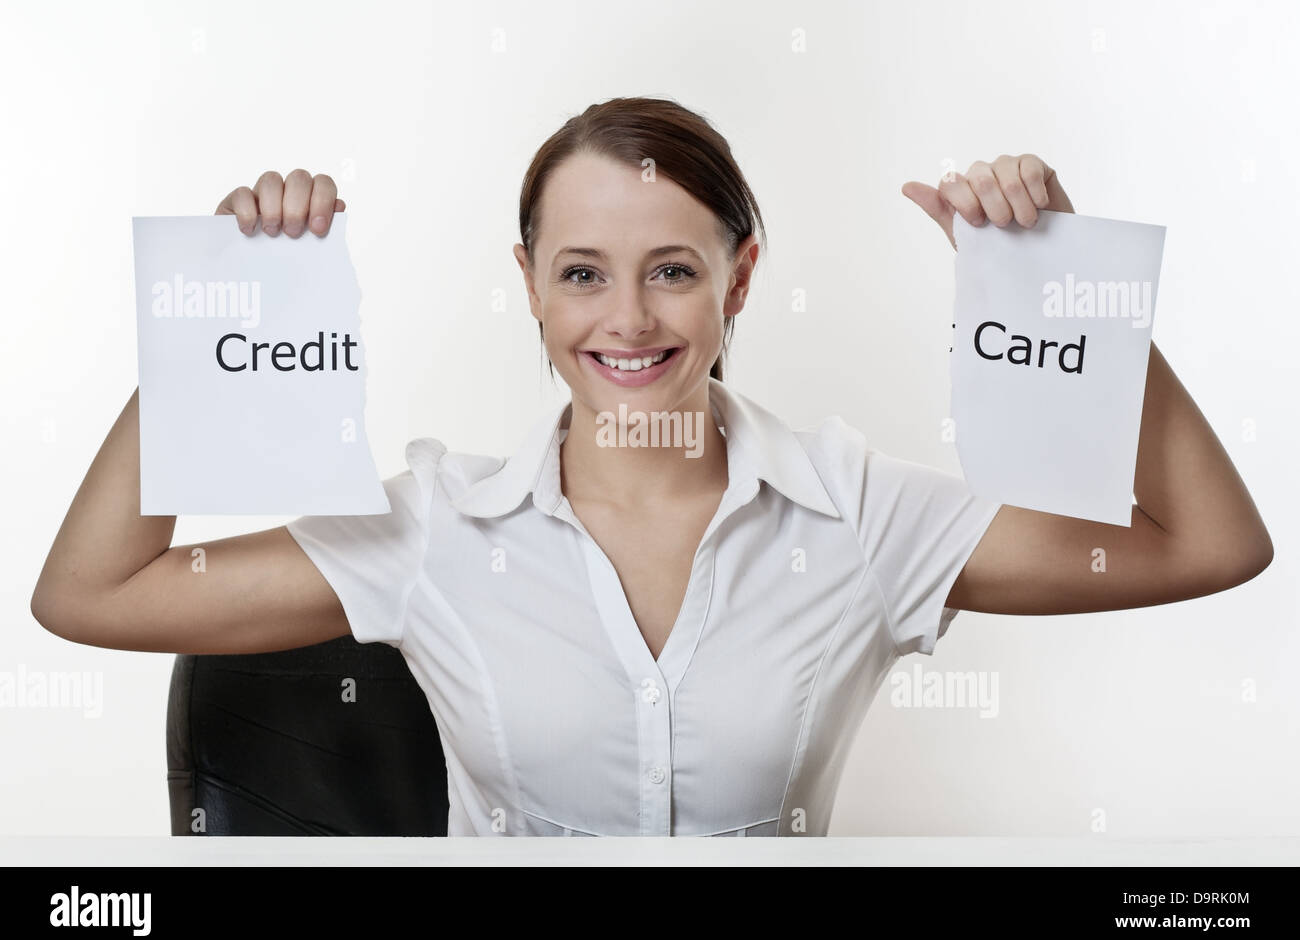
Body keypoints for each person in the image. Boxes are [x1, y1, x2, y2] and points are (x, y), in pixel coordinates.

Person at [31, 96, 1273, 836]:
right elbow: (93, 592)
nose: (626, 319)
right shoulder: (431, 533)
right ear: (528, 284)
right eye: (581, 272)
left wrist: (1072, 296)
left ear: (736, 278)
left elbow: (1206, 542)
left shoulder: (861, 519)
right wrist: (217, 315)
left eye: (671, 269)